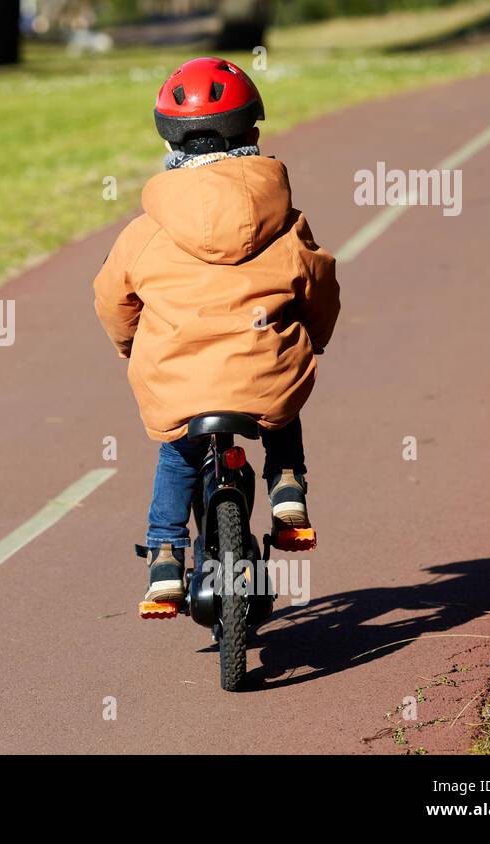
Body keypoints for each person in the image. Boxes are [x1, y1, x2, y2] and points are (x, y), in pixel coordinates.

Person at [92, 57, 340, 608]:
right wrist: (315, 336)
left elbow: (113, 299)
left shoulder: (145, 232)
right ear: (252, 131)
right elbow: (319, 283)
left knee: (177, 451)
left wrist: (128, 344)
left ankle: (164, 556)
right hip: (262, 375)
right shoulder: (286, 222)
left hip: (177, 379)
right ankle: (287, 485)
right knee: (281, 399)